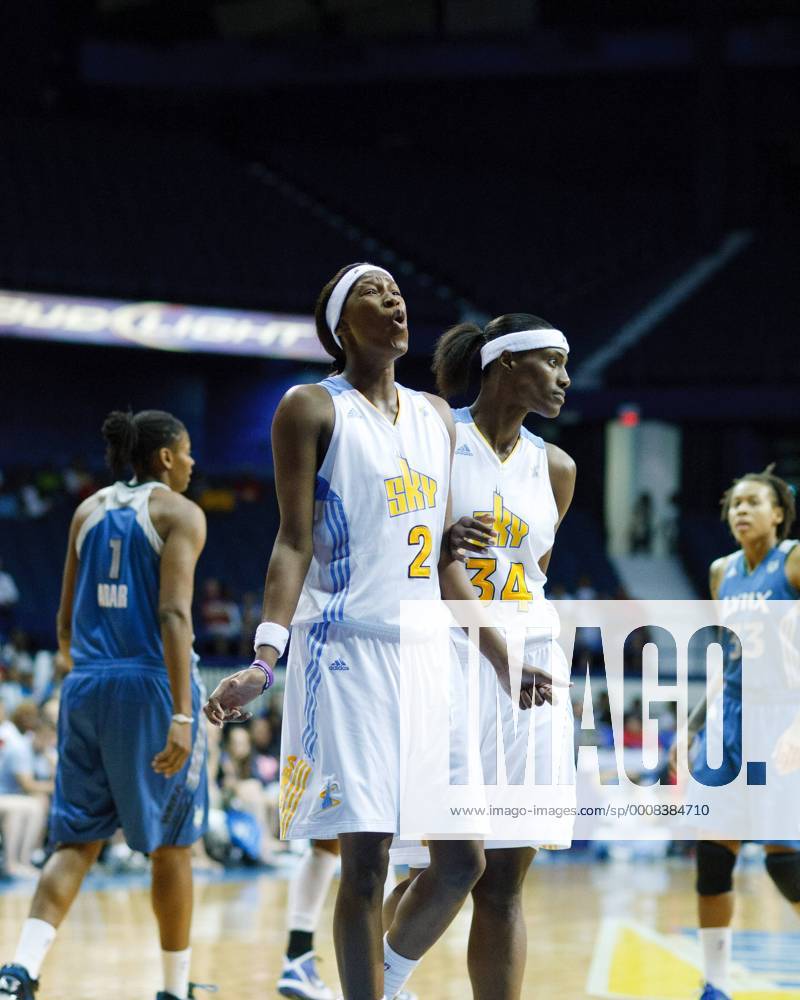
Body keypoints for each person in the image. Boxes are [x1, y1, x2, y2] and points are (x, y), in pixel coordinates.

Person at [204, 265, 556, 1000]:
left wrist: (496, 645)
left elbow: (434, 549)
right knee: (363, 866)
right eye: (373, 292)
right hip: (348, 654)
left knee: (463, 860)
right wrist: (266, 657)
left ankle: (385, 982)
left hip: (430, 657)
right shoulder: (309, 407)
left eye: (398, 290)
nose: (394, 299)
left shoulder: (433, 414)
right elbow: (291, 541)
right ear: (339, 324)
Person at [387, 313, 577, 1000]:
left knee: (503, 884)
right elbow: (439, 566)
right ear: (503, 364)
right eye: (551, 362)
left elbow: (534, 573)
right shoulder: (438, 438)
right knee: (435, 866)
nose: (563, 378)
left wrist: (517, 651)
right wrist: (496, 651)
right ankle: (377, 984)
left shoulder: (556, 467)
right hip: (445, 663)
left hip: (530, 669)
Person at [0, 409, 209, 1000]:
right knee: (171, 844)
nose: (193, 462)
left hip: (86, 682)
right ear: (165, 456)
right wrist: (182, 713)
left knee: (77, 841)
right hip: (149, 683)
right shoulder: (179, 513)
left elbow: (64, 622)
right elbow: (173, 613)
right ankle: (174, 989)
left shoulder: (87, 510)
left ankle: (20, 970)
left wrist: (86, 670)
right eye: (187, 451)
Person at [681, 468, 800, 1000]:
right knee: (712, 855)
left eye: (754, 503)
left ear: (779, 514)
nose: (741, 512)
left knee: (784, 859)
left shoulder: (793, 562)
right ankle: (716, 984)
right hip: (730, 715)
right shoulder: (720, 572)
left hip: (782, 715)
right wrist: (690, 728)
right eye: (734, 505)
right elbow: (726, 656)